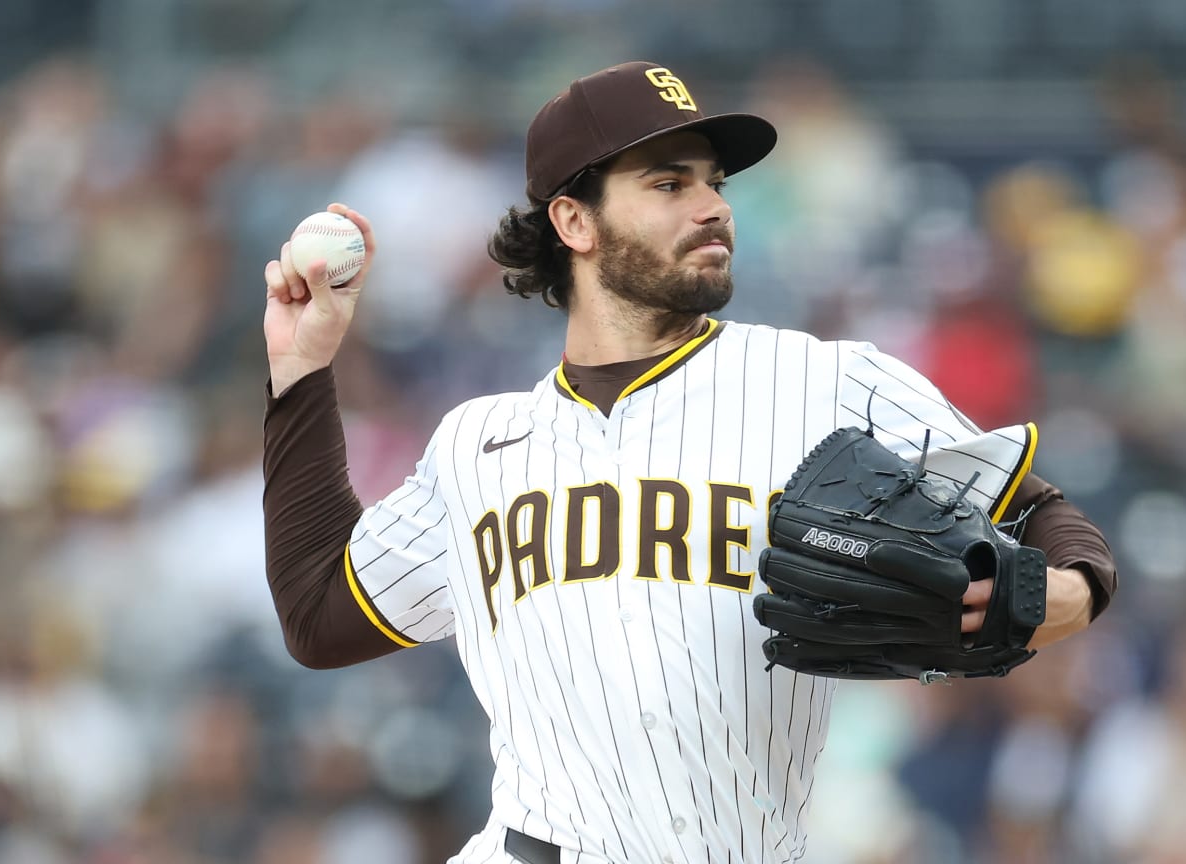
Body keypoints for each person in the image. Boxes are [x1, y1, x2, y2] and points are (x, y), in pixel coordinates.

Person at [261, 61, 1117, 864]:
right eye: (669, 184)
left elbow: (1043, 520)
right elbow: (319, 616)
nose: (712, 206)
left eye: (715, 182)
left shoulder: (825, 383)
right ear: (573, 220)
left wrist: (1058, 593)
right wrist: (302, 374)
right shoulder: (476, 443)